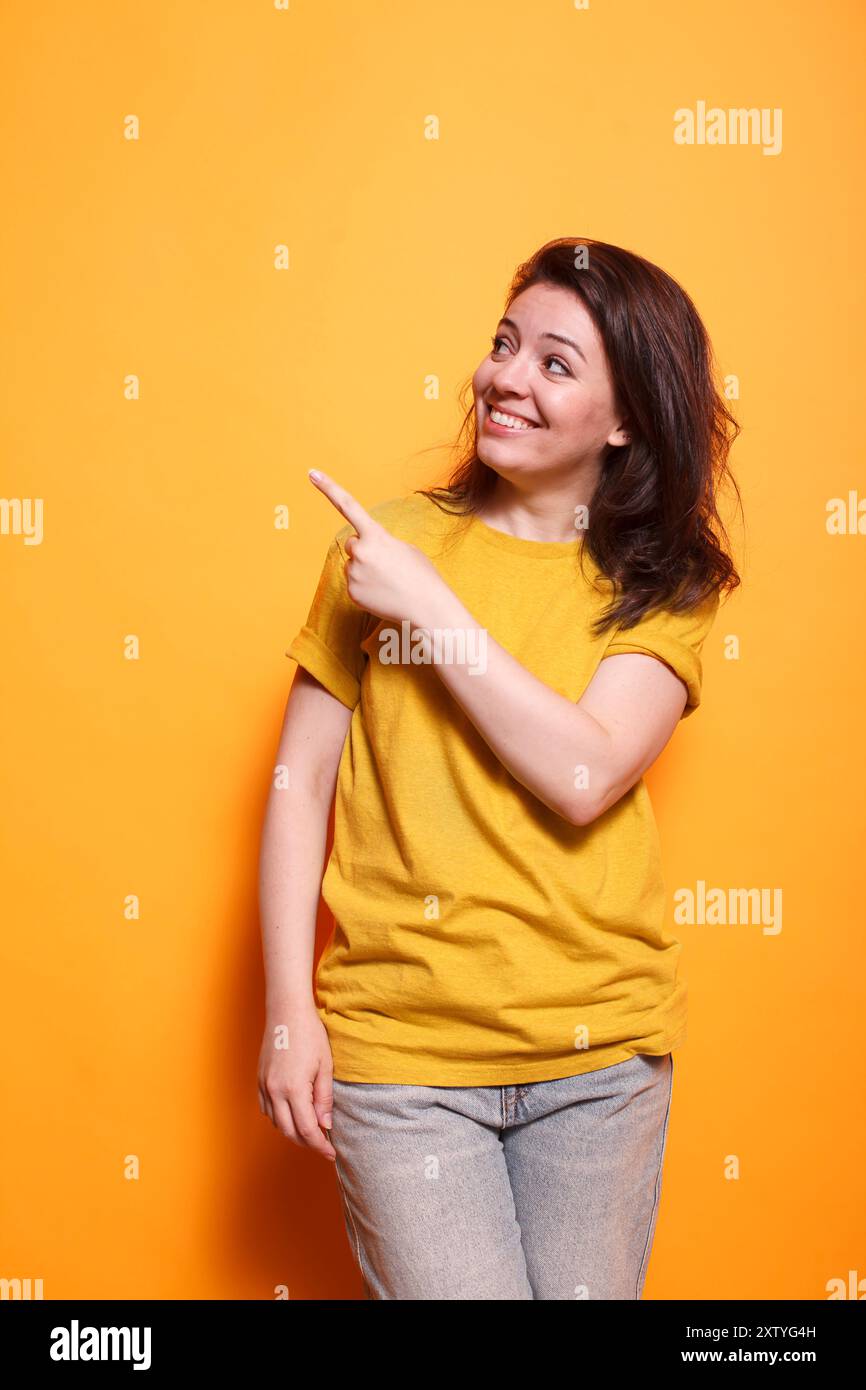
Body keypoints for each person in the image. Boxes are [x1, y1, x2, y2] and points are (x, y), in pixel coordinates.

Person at [257, 236, 742, 1300]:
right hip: (403, 1054)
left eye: (554, 363)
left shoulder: (661, 582)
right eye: (502, 343)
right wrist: (288, 1007)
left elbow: (583, 774)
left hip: (598, 1058)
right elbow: (296, 788)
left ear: (622, 421)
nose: (504, 378)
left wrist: (431, 607)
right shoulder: (376, 548)